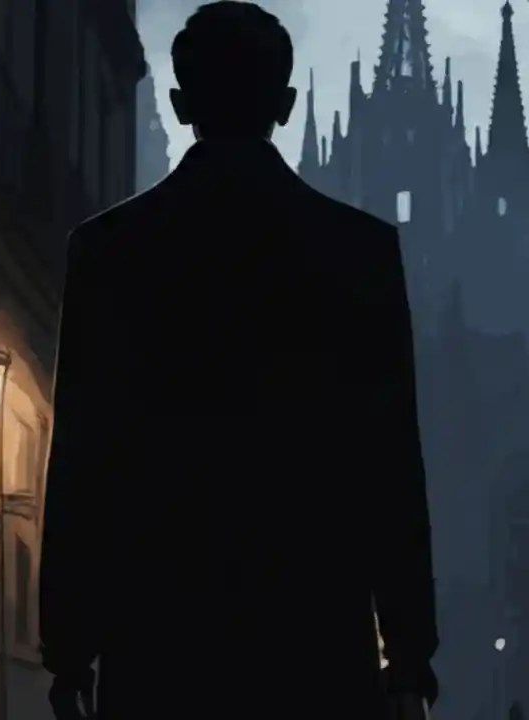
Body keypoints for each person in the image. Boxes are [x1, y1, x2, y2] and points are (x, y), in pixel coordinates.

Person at [38, 3, 439, 718]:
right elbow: (392, 466)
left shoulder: (109, 250)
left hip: (160, 645)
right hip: (316, 644)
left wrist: (69, 655)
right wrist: (409, 661)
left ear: (179, 101)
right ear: (285, 106)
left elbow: (82, 460)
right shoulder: (360, 252)